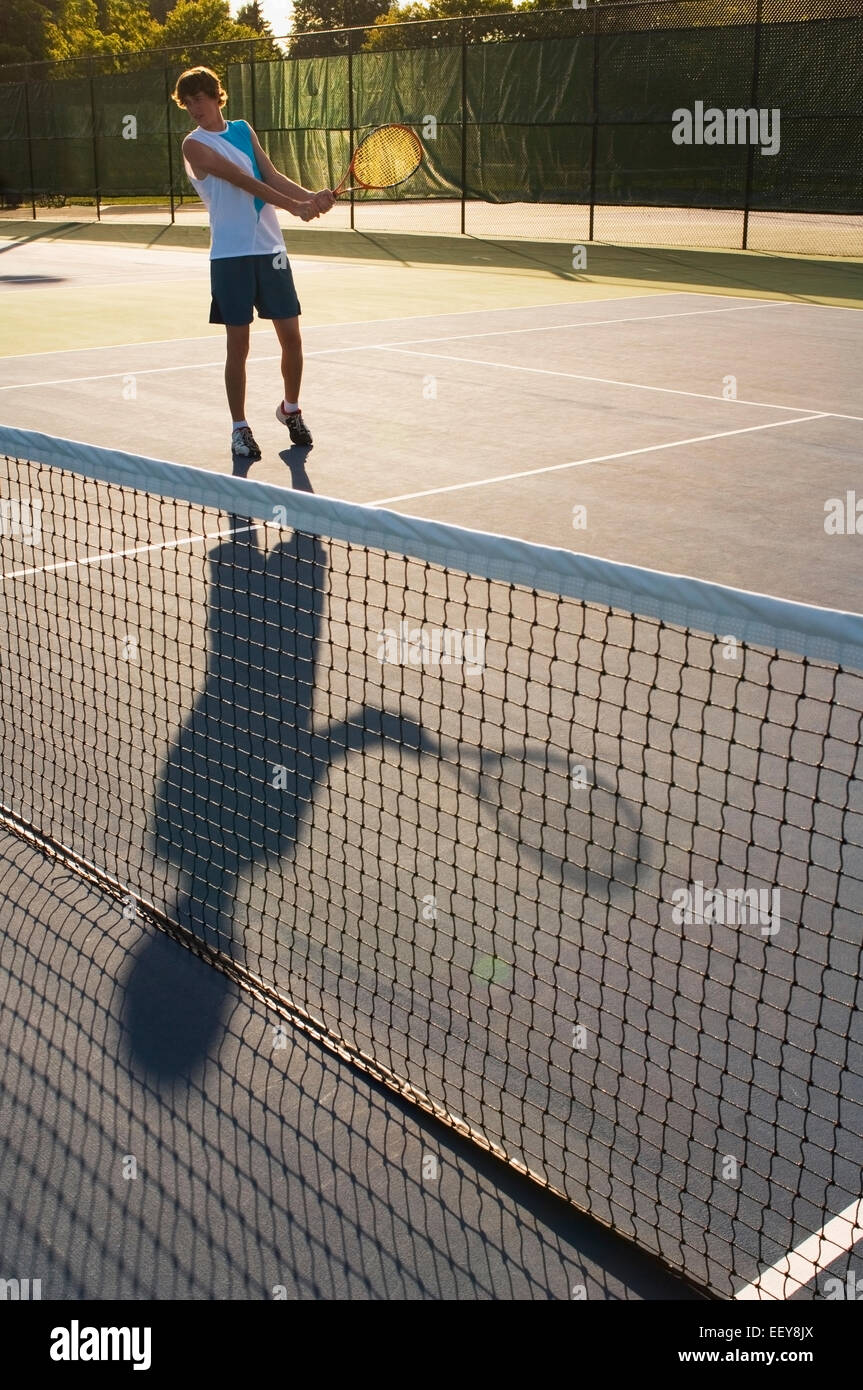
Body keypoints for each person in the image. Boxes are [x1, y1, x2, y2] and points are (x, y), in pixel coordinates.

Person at [172, 66, 335, 459]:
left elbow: (270, 176)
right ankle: (239, 428)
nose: (195, 107)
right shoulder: (193, 145)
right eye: (188, 101)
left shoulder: (243, 130)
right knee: (238, 345)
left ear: (216, 96)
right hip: (230, 256)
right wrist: (296, 207)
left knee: (292, 339)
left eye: (201, 98)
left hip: (270, 251)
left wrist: (312, 196)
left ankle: (290, 410)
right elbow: (241, 181)